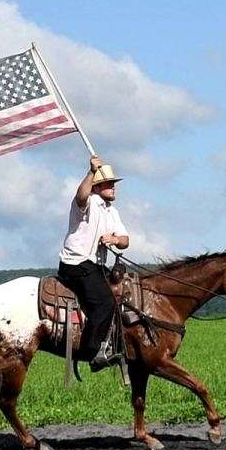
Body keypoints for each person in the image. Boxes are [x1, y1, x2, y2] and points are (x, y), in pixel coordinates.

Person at [57, 154, 130, 372]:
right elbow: (81, 195)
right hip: (76, 263)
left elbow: (125, 241)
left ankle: (116, 343)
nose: (113, 187)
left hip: (95, 266)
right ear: (97, 187)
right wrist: (91, 172)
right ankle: (93, 351)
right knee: (106, 302)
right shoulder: (88, 202)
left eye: (113, 183)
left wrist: (114, 240)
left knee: (123, 293)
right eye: (108, 184)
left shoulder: (112, 211)